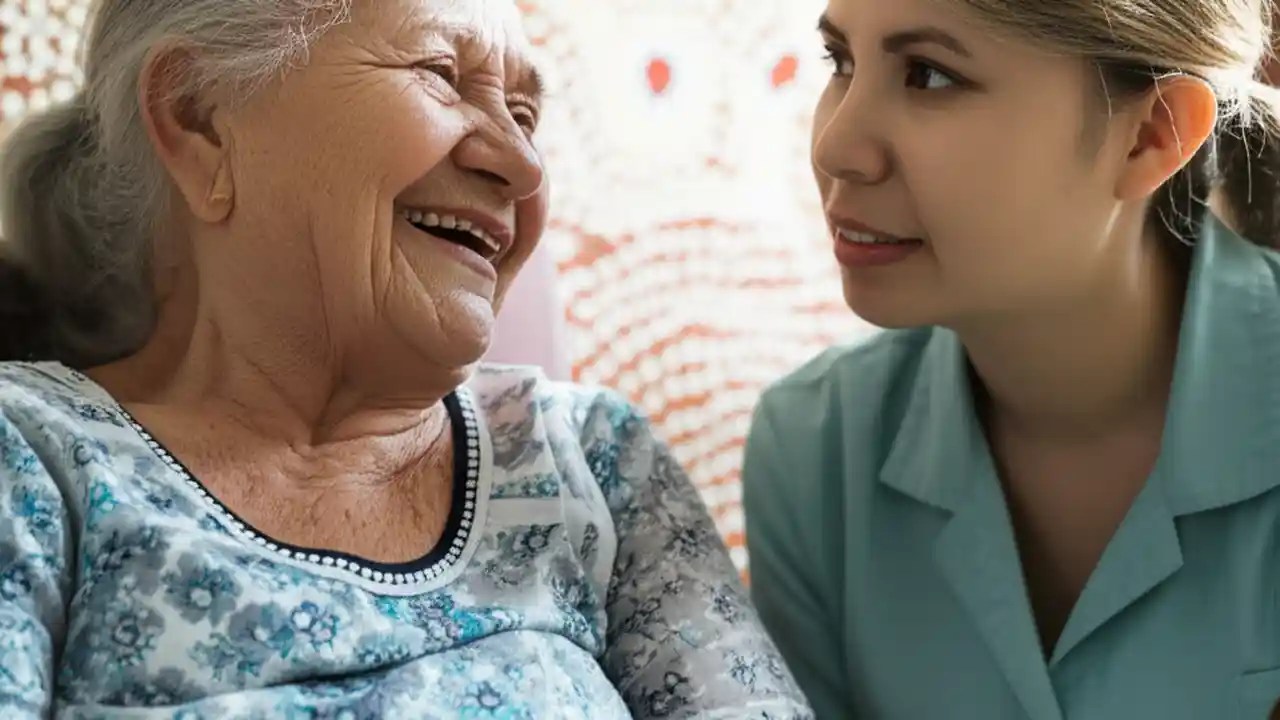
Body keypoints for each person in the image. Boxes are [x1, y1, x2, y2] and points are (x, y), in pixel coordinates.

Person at [0, 1, 813, 717]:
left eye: (526, 117)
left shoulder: (592, 463)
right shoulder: (29, 456)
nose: (523, 166)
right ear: (201, 118)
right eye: (442, 75)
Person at [742, 0, 1280, 717]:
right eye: (840, 62)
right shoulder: (814, 452)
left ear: (1152, 137)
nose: (836, 147)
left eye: (929, 76)